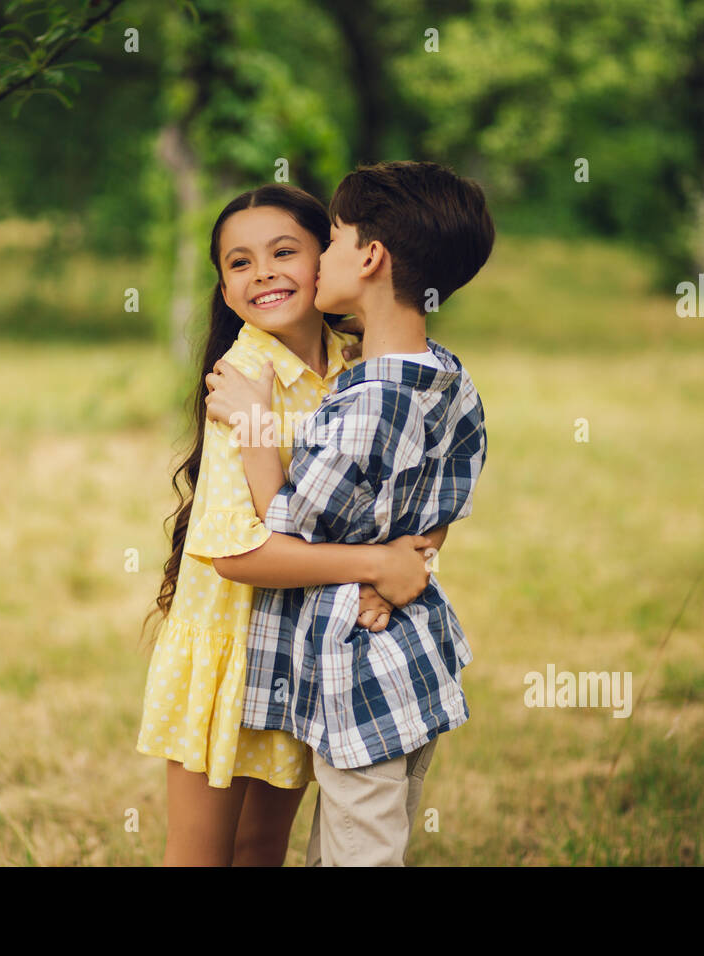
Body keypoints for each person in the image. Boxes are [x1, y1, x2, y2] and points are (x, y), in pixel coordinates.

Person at [136, 183, 446, 866]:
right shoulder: (244, 383)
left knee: (260, 848)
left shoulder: (355, 370)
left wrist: (409, 552)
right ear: (222, 288)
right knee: (201, 856)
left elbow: (408, 494)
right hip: (227, 648)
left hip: (301, 654)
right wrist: (373, 566)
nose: (263, 273)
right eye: (238, 263)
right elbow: (237, 554)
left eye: (285, 251)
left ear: (328, 261)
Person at [206, 161, 494, 865]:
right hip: (414, 656)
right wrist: (407, 555)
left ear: (369, 257)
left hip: (362, 676)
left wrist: (254, 427)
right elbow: (451, 484)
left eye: (329, 242)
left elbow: (284, 527)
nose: (320, 260)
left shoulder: (366, 403)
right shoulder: (447, 373)